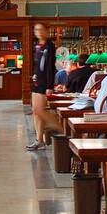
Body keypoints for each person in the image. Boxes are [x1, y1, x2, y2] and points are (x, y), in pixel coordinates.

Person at [27, 22, 62, 151]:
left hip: (44, 83)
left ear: (47, 31)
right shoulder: (37, 46)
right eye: (36, 29)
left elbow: (50, 67)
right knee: (36, 112)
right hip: (36, 81)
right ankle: (39, 140)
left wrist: (49, 84)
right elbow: (37, 64)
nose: (39, 32)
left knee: (41, 110)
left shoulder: (50, 46)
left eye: (41, 29)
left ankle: (63, 130)